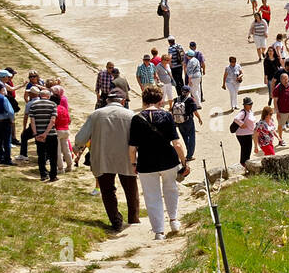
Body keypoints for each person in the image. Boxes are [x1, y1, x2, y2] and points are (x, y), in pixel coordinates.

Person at [75, 89, 140, 231]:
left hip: (102, 157)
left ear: (107, 101)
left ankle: (116, 221)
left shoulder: (96, 115)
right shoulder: (131, 115)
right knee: (131, 189)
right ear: (123, 101)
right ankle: (133, 220)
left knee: (107, 191)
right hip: (126, 158)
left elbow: (80, 138)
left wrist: (77, 148)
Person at [129, 86, 188, 240]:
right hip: (168, 160)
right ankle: (174, 220)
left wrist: (133, 164)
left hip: (146, 162)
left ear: (144, 100)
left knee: (151, 195)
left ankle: (159, 231)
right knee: (171, 189)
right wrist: (184, 162)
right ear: (160, 100)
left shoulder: (136, 119)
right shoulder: (167, 116)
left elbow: (132, 148)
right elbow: (177, 143)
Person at [26, 82, 60, 181]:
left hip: (38, 134)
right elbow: (53, 121)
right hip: (51, 134)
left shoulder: (33, 105)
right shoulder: (53, 104)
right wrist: (46, 133)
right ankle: (53, 175)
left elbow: (32, 121)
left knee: (41, 155)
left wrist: (36, 133)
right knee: (53, 156)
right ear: (48, 97)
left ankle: (43, 174)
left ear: (40, 96)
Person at [171, 87, 202, 157]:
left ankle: (189, 153)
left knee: (185, 137)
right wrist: (199, 118)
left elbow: (172, 111)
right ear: (188, 92)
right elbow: (195, 111)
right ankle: (189, 155)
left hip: (179, 122)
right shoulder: (190, 99)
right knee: (191, 137)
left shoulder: (176, 99)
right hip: (188, 121)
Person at [52, 88, 74, 174]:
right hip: (66, 130)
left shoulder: (54, 109)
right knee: (66, 149)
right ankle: (69, 165)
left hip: (58, 130)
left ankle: (60, 168)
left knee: (58, 151)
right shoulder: (63, 108)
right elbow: (69, 120)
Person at [230, 98, 256, 165]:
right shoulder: (243, 112)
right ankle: (244, 164)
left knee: (248, 150)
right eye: (249, 104)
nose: (251, 105)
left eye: (251, 104)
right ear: (245, 105)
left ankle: (245, 164)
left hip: (249, 133)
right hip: (243, 135)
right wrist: (242, 124)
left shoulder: (250, 111)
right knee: (245, 150)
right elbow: (236, 119)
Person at [273, 72, 289, 142]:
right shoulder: (277, 89)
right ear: (281, 80)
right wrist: (277, 112)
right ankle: (280, 139)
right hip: (282, 111)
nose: (286, 81)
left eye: (287, 79)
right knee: (280, 126)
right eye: (284, 79)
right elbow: (275, 101)